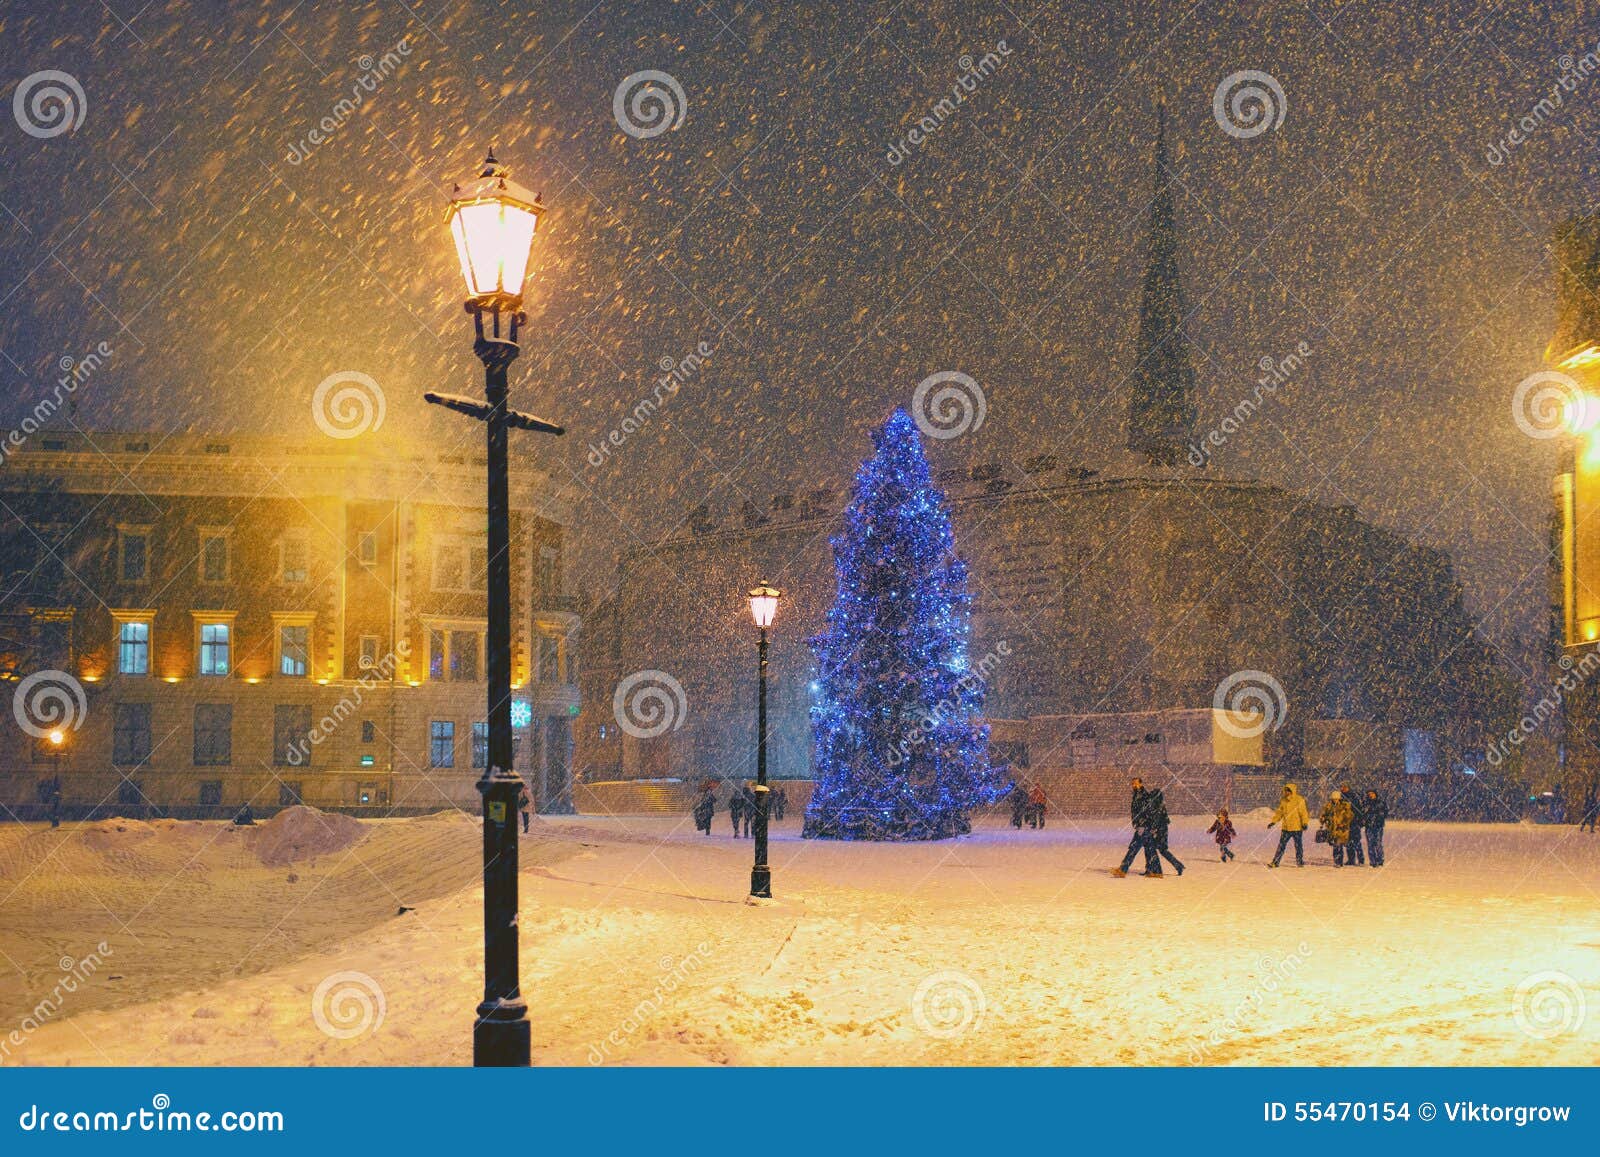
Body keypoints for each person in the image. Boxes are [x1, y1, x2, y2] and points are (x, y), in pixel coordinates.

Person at [1112, 777, 1160, 877]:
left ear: (1141, 784)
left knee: (1134, 848)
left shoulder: (1142, 795)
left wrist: (1141, 823)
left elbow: (1146, 811)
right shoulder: (1138, 795)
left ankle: (1122, 870)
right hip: (1146, 826)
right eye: (1132, 784)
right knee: (1150, 849)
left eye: (1135, 783)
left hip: (1143, 827)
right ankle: (1154, 871)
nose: (1133, 785)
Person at [1267, 782, 1311, 868]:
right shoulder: (1283, 800)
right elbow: (1279, 813)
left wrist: (1305, 823)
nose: (1286, 792)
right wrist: (1273, 821)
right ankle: (1275, 862)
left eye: (1288, 791)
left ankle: (1299, 862)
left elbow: (1304, 813)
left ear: (1292, 791)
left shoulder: (1299, 800)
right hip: (1286, 828)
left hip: (1297, 828)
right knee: (1281, 846)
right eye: (1286, 791)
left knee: (1298, 846)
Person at [1149, 787, 1184, 876]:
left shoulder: (1157, 806)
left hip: (1159, 831)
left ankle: (1177, 865)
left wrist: (1154, 829)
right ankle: (1177, 865)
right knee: (1161, 850)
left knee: (1155, 849)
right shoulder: (1160, 805)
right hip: (1163, 830)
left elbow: (1156, 819)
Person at [1320, 790, 1354, 867]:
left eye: (1336, 798)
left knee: (1339, 845)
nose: (1335, 800)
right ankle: (1337, 861)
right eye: (1334, 799)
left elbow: (1350, 816)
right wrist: (1323, 819)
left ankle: (1339, 861)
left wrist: (1344, 823)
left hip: (1342, 829)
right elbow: (1323, 814)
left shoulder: (1345, 806)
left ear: (1339, 799)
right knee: (1336, 845)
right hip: (1332, 829)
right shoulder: (1328, 806)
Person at [1341, 782, 1366, 865]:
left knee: (1356, 841)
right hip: (1346, 823)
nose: (1343, 788)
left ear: (1348, 788)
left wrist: (1360, 821)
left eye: (1345, 787)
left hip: (1355, 822)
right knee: (1348, 842)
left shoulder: (1354, 797)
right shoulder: (1341, 797)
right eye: (1342, 787)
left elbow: (1359, 810)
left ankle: (1361, 859)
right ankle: (1351, 859)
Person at [1363, 788, 1388, 866]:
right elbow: (1363, 813)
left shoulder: (1381, 803)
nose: (1370, 795)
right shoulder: (1366, 803)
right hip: (1369, 826)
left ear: (1375, 794)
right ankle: (1373, 861)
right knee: (1370, 844)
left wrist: (1378, 816)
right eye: (1369, 794)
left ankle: (1380, 860)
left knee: (1378, 843)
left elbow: (1385, 813)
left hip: (1378, 826)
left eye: (1372, 794)